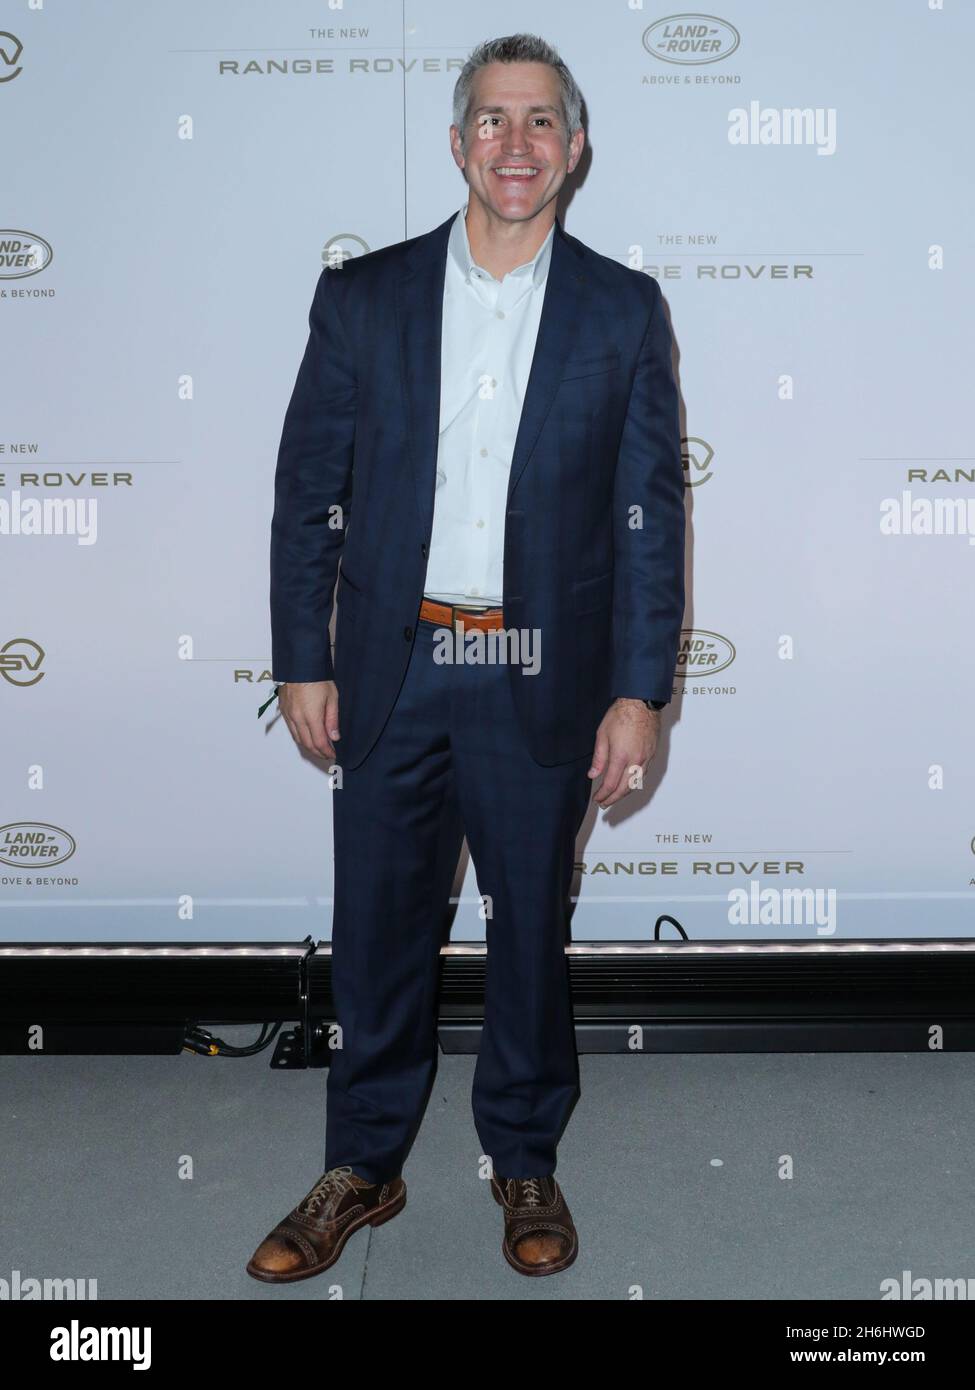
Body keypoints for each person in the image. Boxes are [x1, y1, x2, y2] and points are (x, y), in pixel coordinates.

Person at [248, 32, 685, 1283]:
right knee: (378, 924)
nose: (515, 144)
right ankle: (361, 1167)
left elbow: (651, 520)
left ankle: (524, 1156)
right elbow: (303, 493)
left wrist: (639, 691)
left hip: (541, 664)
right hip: (394, 661)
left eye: (541, 120)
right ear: (457, 143)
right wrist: (299, 659)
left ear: (576, 147)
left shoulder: (621, 308)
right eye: (492, 120)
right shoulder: (366, 296)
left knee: (529, 930)